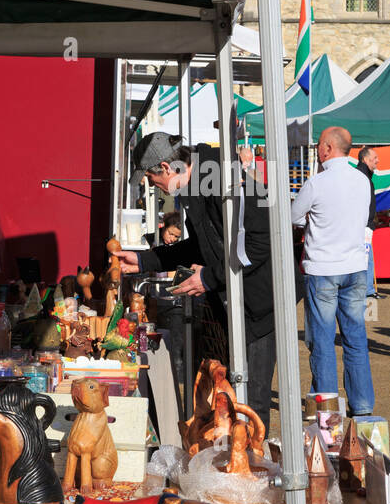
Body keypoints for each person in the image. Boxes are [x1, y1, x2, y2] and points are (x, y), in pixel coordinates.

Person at [115, 132, 277, 430]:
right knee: (228, 398)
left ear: (166, 167)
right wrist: (144, 260)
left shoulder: (221, 179)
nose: (153, 185)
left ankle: (253, 465)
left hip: (259, 303)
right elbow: (198, 246)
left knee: (251, 403)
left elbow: (264, 241)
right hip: (235, 301)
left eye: (152, 178)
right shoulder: (198, 183)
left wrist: (210, 277)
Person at [291, 127, 375, 419]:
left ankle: (326, 408)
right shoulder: (362, 180)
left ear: (327, 148)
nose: (316, 150)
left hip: (323, 269)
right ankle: (362, 404)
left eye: (318, 145)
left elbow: (294, 216)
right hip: (354, 267)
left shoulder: (317, 183)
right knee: (355, 337)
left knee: (323, 341)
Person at [356, 145, 380, 299]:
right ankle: (366, 290)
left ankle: (367, 289)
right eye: (374, 158)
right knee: (365, 259)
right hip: (362, 225)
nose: (377, 161)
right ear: (365, 159)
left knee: (367, 258)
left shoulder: (364, 175)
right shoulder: (361, 176)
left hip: (365, 224)